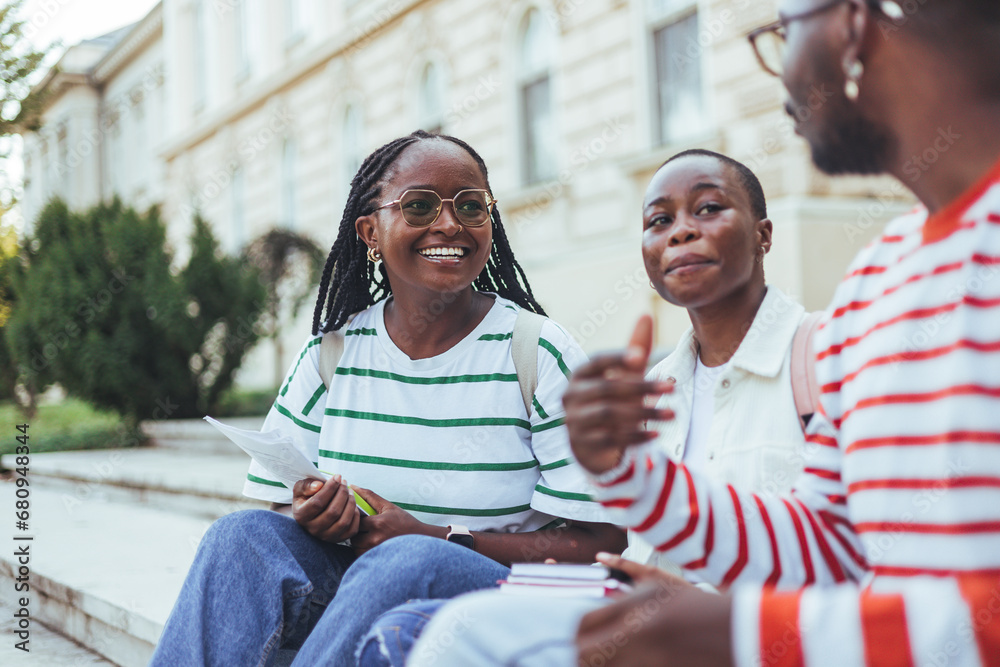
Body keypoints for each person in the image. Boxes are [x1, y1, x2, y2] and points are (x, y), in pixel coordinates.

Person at [415, 0, 1000, 664]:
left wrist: (740, 633)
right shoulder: (878, 273)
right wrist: (630, 472)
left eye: (782, 33)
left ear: (853, 23)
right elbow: (830, 540)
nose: (780, 76)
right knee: (465, 636)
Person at [148, 130, 624, 667]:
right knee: (241, 537)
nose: (450, 224)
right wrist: (313, 512)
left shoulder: (537, 353)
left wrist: (439, 537)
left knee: (408, 557)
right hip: (359, 590)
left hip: (501, 595)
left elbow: (602, 543)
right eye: (419, 206)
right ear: (370, 231)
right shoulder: (333, 352)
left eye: (471, 206)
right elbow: (280, 503)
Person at [383, 148, 815, 666]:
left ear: (764, 234)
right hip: (638, 631)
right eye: (660, 220)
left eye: (707, 209)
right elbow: (624, 550)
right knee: (430, 631)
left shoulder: (823, 360)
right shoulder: (649, 393)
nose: (680, 231)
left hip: (759, 643)